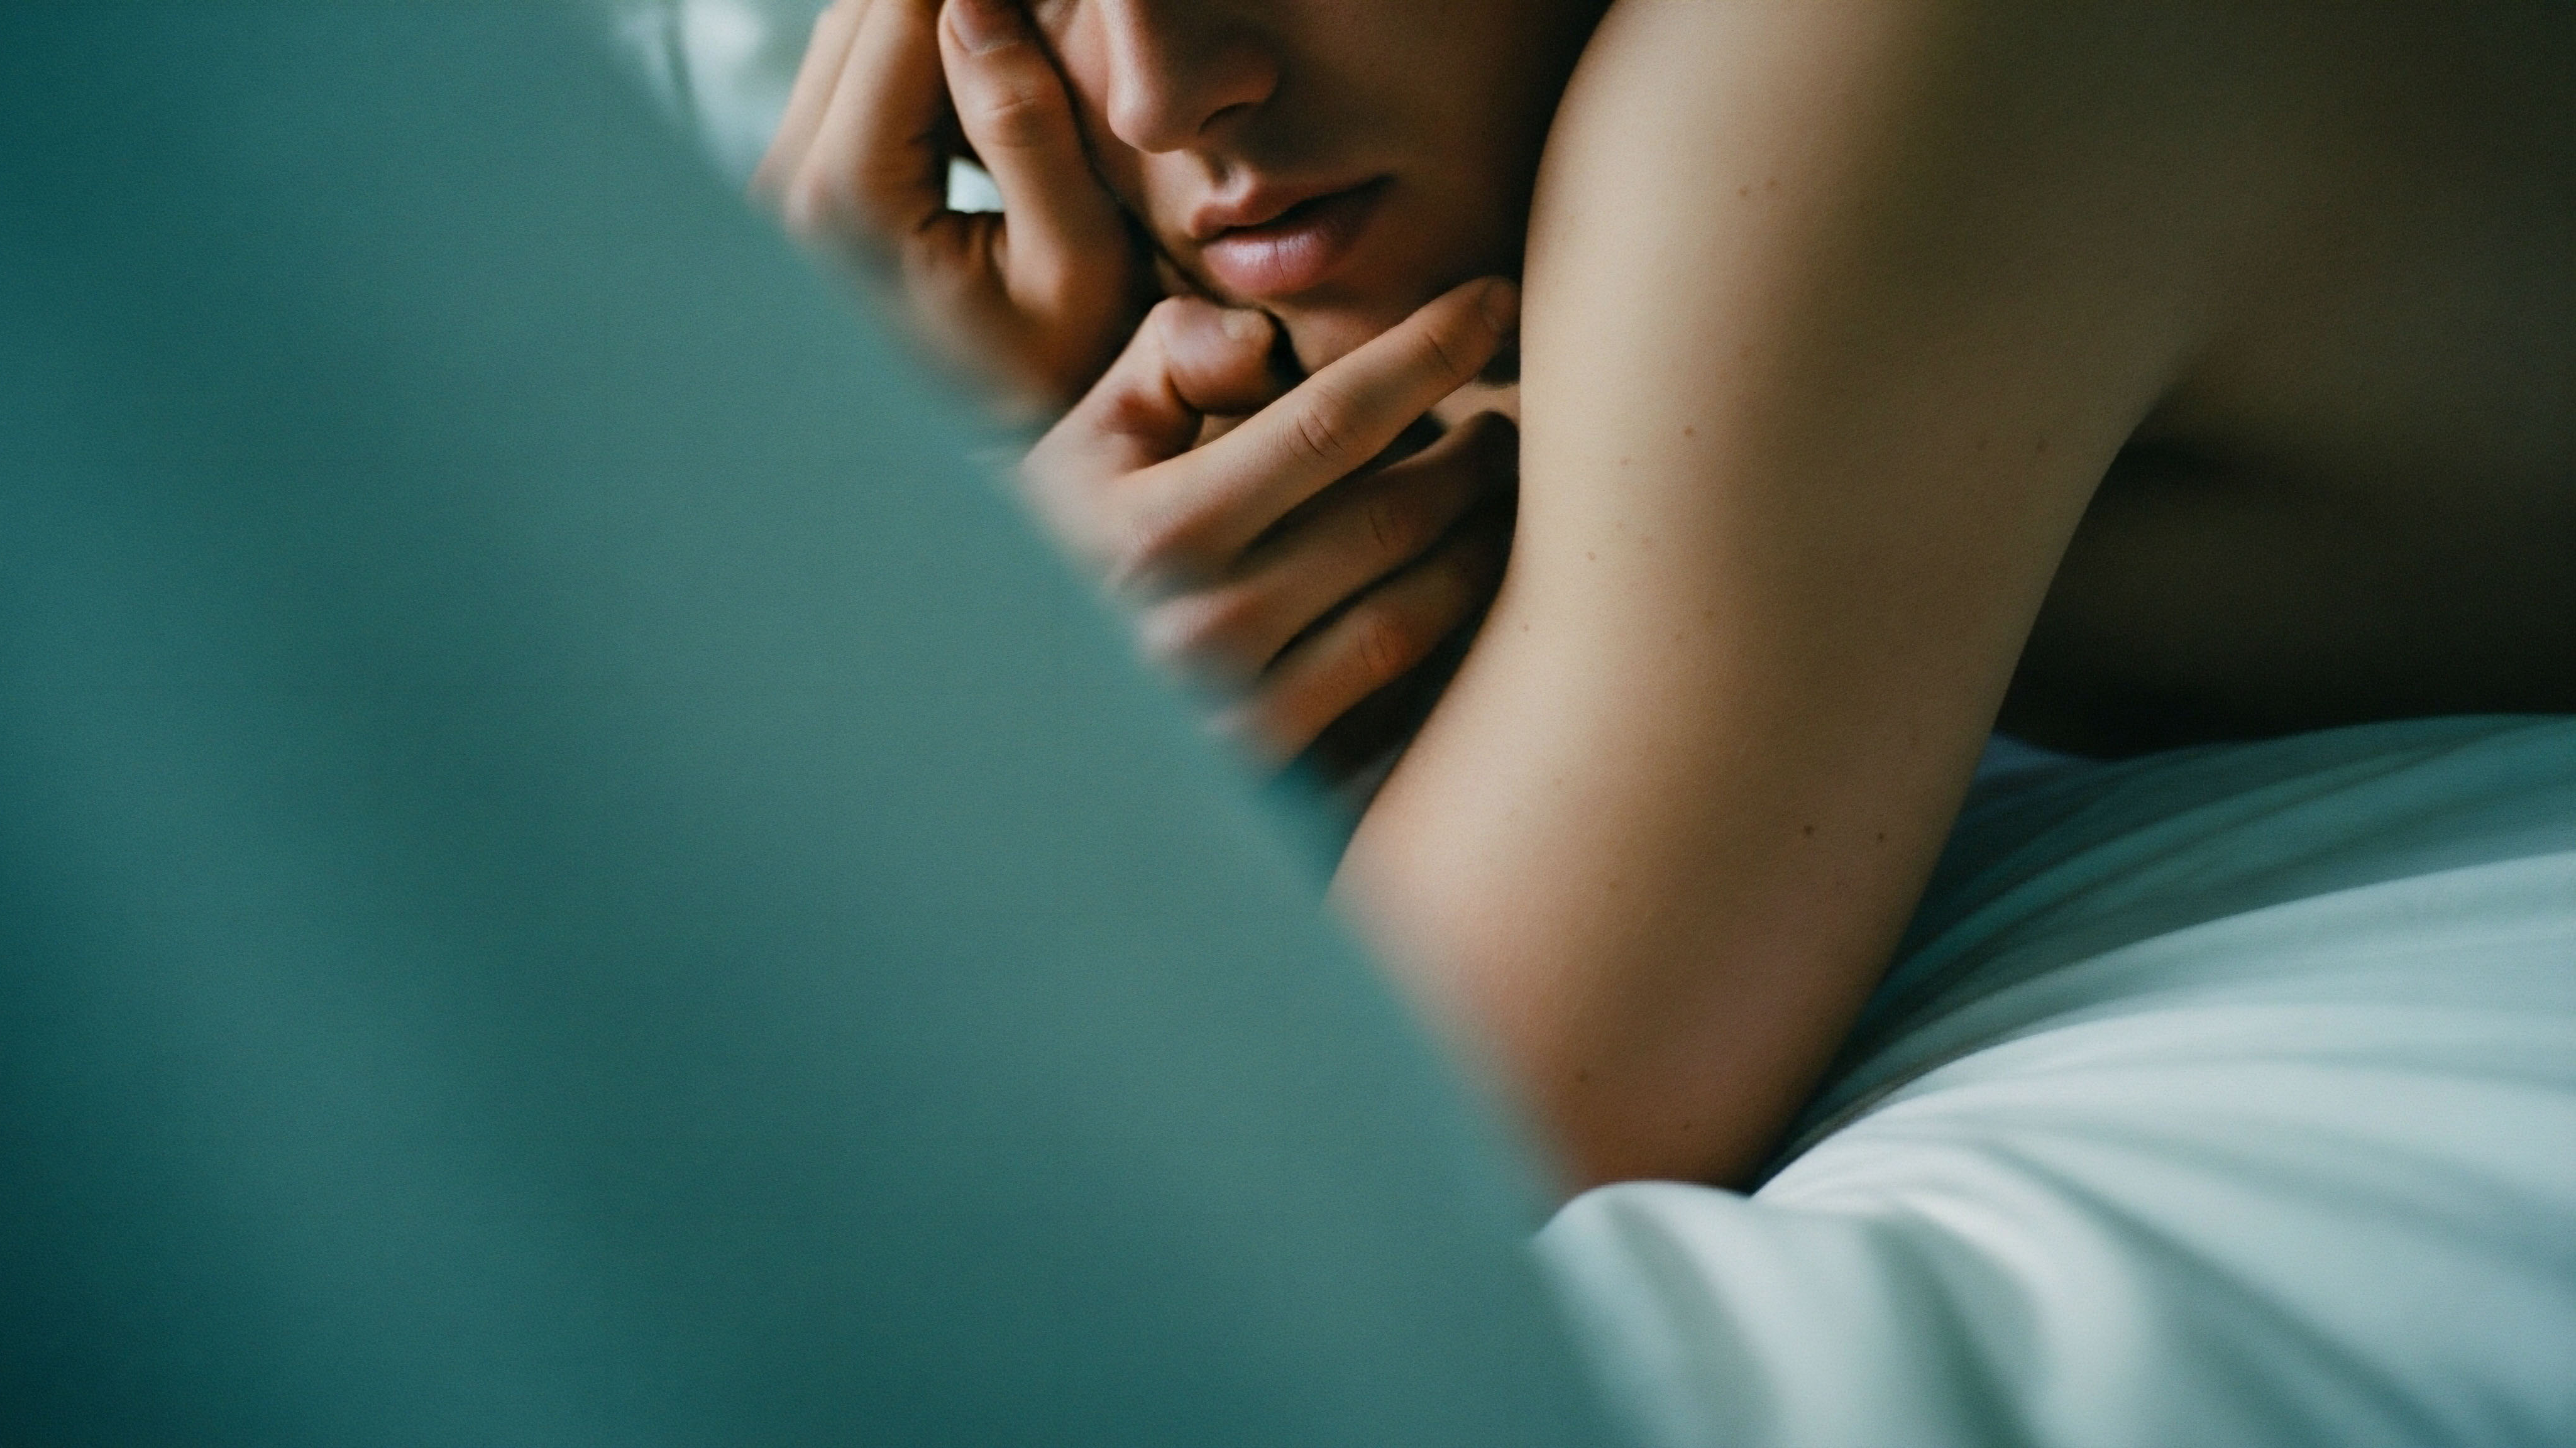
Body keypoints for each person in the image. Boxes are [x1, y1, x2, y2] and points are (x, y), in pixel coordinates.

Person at [754, 0, 2575, 1190]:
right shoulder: (1458, 230)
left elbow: (1356, 1200)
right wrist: (916, 438)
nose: (1160, 88)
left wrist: (919, 673)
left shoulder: (1827, 63)